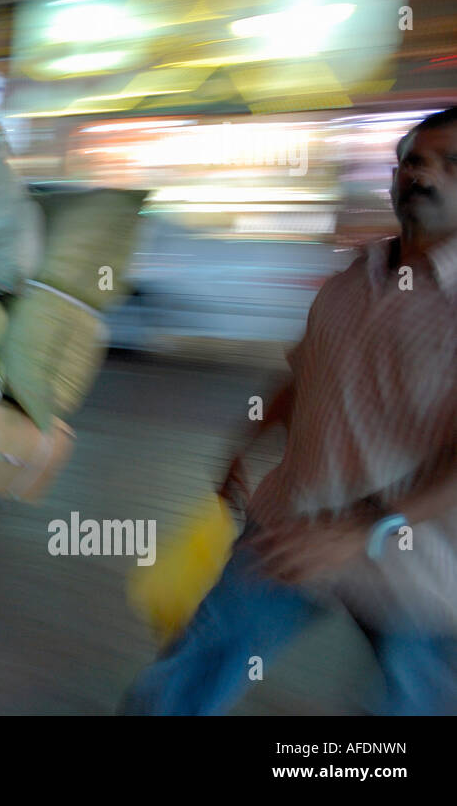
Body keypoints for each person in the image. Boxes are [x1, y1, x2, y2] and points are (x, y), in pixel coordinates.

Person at [122, 108, 457, 715]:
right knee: (187, 676)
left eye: (450, 163)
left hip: (423, 563)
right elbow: (307, 375)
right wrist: (244, 447)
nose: (424, 174)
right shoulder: (352, 280)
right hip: (291, 526)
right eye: (414, 160)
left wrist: (362, 530)